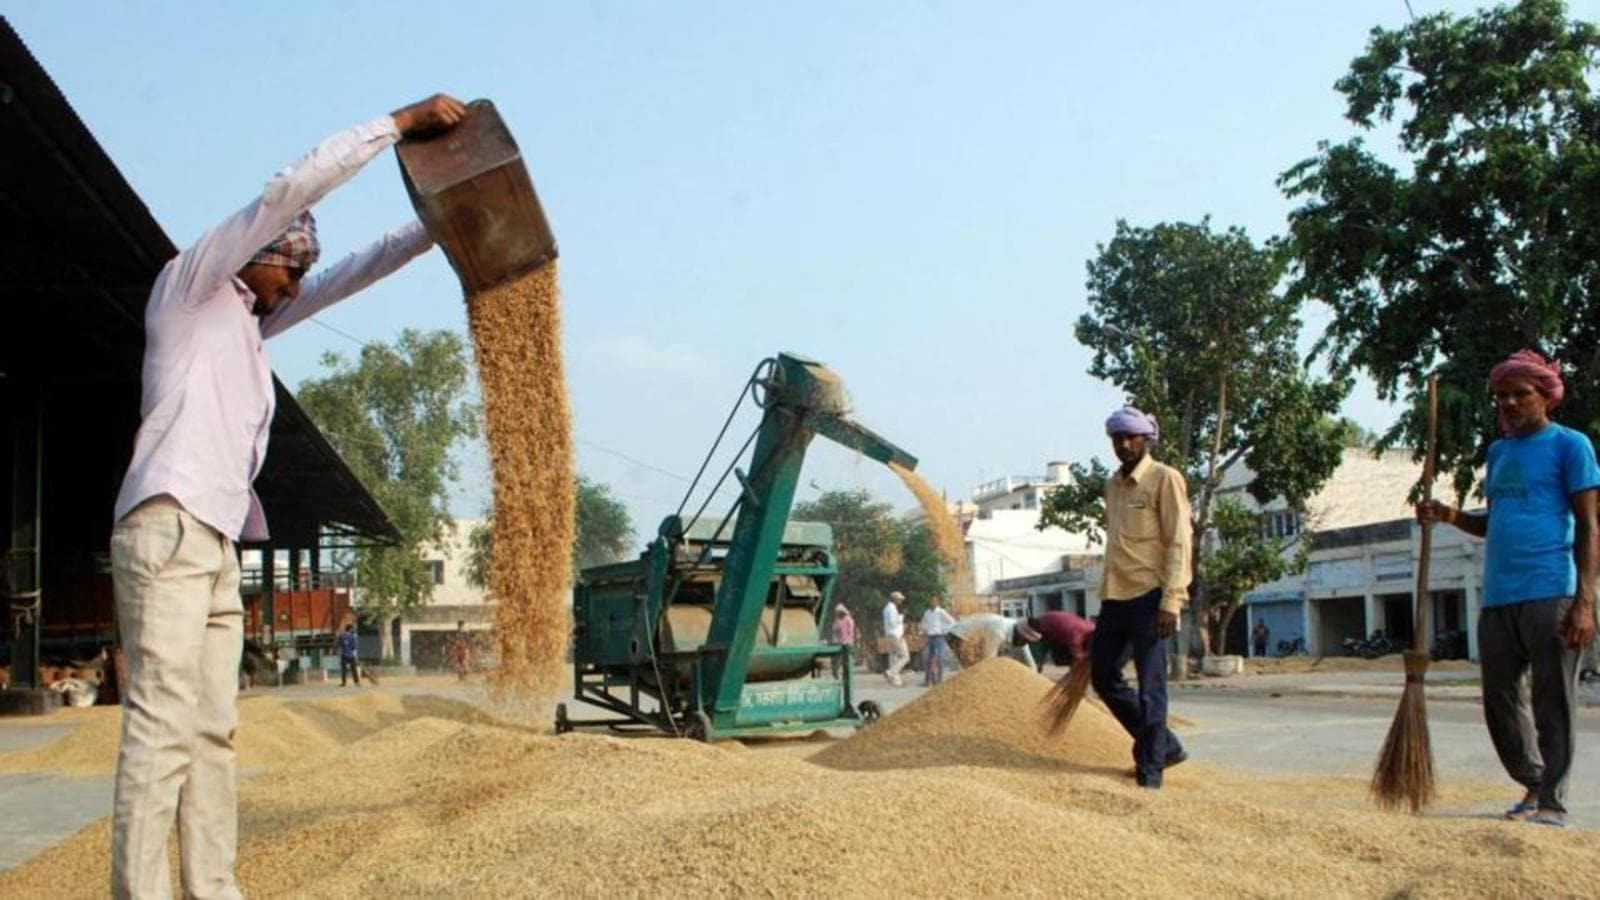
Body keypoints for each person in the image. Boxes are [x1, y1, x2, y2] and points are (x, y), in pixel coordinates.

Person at [107, 93, 468, 899]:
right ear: (257, 254)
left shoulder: (248, 322)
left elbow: (348, 275)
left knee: (212, 731)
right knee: (161, 728)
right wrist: (394, 126)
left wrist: (437, 228)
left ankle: (214, 889)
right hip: (165, 524)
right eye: (290, 267)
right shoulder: (191, 286)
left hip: (215, 541)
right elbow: (290, 192)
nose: (297, 284)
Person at [1418, 350, 1598, 828]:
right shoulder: (1499, 453)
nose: (1510, 403)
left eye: (1522, 394)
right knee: (1499, 699)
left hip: (1551, 591)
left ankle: (1552, 802)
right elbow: (1496, 522)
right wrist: (1450, 515)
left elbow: (1588, 525)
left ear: (1547, 397)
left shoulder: (1571, 445)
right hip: (1498, 595)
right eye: (1502, 396)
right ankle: (1534, 783)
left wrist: (1585, 600)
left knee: (1551, 700)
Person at [1092, 406, 1190, 789]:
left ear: (1145, 439)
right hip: (1115, 595)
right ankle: (1165, 746)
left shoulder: (1164, 479)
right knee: (1103, 674)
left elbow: (1179, 541)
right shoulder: (1112, 485)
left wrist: (1171, 600)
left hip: (1151, 598)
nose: (1122, 444)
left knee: (1151, 689)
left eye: (1130, 437)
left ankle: (1150, 774)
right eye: (1116, 438)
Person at [946, 612, 1041, 669]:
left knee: (978, 666)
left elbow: (1029, 661)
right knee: (972, 669)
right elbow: (989, 661)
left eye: (1029, 642)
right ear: (1021, 635)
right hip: (957, 635)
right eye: (1025, 640)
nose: (1026, 644)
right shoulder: (998, 632)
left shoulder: (1020, 632)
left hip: (975, 637)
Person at [1027, 611, 1095, 670]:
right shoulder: (1076, 636)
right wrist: (1088, 654)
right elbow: (1078, 657)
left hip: (1050, 622)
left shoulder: (1092, 627)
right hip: (1041, 628)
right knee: (1035, 661)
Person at [919, 596, 957, 685]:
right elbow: (923, 624)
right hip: (930, 637)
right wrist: (925, 630)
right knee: (927, 659)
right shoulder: (927, 613)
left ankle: (939, 680)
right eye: (931, 601)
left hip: (939, 637)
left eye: (934, 601)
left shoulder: (941, 612)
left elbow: (952, 622)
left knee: (939, 658)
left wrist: (944, 630)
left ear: (938, 602)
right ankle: (928, 680)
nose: (932, 603)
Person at [882, 591, 910, 686]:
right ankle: (890, 672)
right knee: (905, 656)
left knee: (893, 657)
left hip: (891, 635)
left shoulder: (889, 608)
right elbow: (893, 623)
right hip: (895, 635)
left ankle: (895, 681)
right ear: (895, 599)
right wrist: (901, 617)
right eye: (900, 600)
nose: (901, 602)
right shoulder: (891, 609)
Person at [829, 605, 856, 679]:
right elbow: (834, 631)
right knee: (836, 660)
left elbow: (850, 632)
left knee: (845, 661)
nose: (838, 614)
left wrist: (847, 642)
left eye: (839, 612)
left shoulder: (849, 620)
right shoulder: (837, 620)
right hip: (839, 643)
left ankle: (845, 676)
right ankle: (836, 672)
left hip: (847, 644)